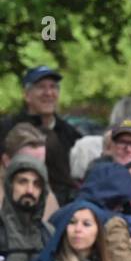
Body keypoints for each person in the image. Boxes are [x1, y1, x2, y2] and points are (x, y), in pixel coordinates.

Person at [0, 66, 81, 205]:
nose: (48, 93)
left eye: (53, 87)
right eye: (41, 87)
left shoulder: (70, 133)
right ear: (26, 95)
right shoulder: (6, 129)